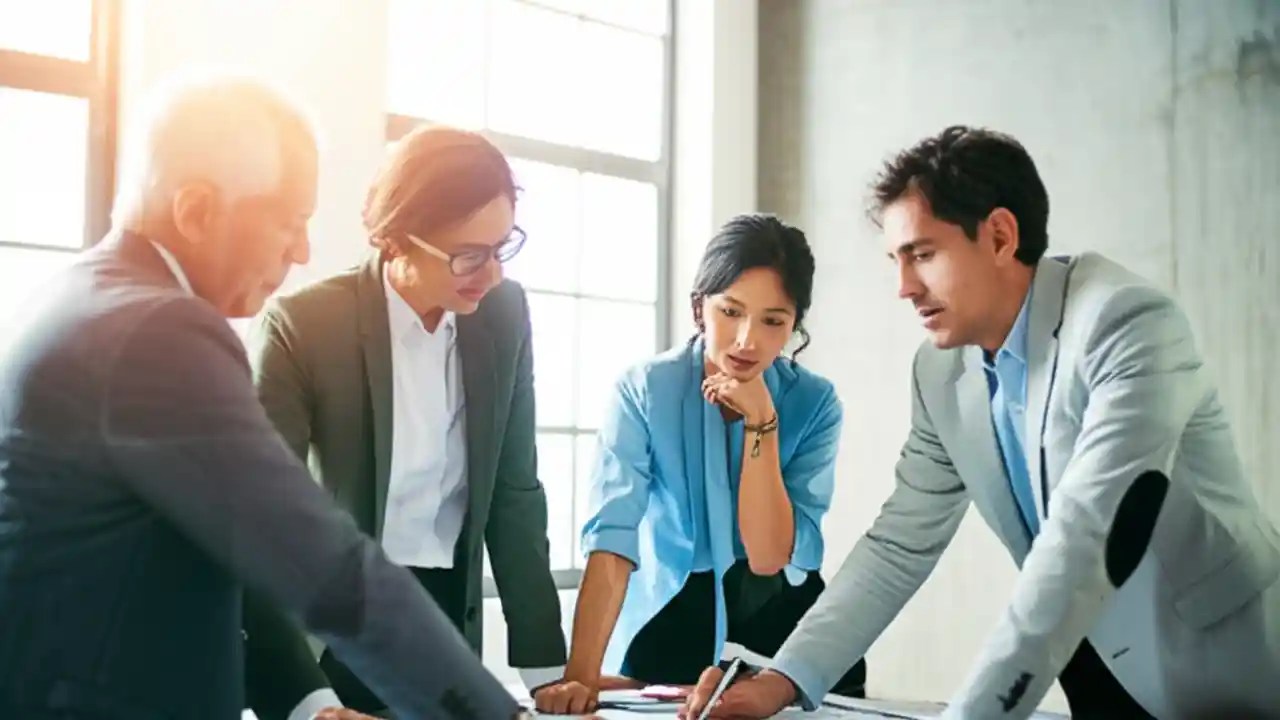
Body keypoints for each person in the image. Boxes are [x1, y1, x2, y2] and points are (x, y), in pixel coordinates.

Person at [680, 126, 1280, 720]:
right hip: (1085, 669)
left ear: (999, 235)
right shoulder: (941, 372)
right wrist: (782, 679)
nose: (903, 288)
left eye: (922, 255)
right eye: (896, 260)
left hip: (1225, 668)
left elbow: (1084, 537)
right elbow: (898, 545)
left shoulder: (1124, 322)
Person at [0, 73, 527, 720]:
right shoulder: (159, 334)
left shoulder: (75, 297)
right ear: (197, 212)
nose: (303, 251)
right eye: (290, 223)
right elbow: (323, 569)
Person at [241, 123, 567, 718]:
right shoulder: (304, 327)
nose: (492, 274)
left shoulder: (503, 314)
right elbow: (262, 523)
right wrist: (300, 697)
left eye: (503, 247)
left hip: (442, 623)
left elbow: (515, 492)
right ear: (396, 240)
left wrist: (546, 670)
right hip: (334, 629)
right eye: (469, 255)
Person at [535, 214, 867, 715]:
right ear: (699, 307)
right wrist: (580, 678)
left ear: (794, 325)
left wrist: (762, 424)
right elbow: (613, 538)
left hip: (783, 627)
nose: (747, 340)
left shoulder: (815, 403)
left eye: (773, 321)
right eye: (730, 311)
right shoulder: (646, 389)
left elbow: (768, 557)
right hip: (669, 619)